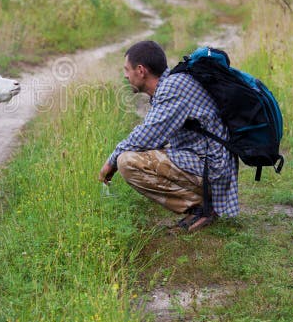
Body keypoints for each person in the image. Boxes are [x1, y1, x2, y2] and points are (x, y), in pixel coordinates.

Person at [97, 40, 238, 232]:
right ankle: (202, 204)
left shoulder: (172, 88)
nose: (125, 75)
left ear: (141, 70)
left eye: (126, 70)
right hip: (209, 161)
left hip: (213, 168)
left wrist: (111, 161)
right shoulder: (172, 83)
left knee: (127, 162)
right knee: (142, 154)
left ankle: (203, 207)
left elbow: (145, 136)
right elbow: (154, 134)